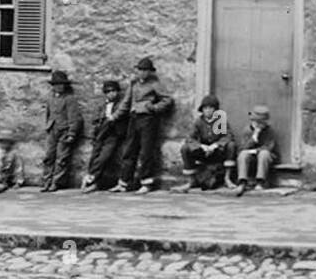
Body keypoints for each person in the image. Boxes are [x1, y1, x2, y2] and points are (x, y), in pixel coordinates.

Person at [112, 56, 173, 194]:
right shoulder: (133, 84)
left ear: (150, 72)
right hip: (133, 119)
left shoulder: (154, 84)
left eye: (146, 70)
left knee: (146, 152)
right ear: (137, 71)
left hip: (148, 120)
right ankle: (124, 183)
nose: (143, 73)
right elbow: (126, 103)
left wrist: (154, 108)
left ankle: (146, 183)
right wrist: (114, 117)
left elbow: (168, 100)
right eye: (140, 70)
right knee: (129, 151)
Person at [41, 68, 84, 192]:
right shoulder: (50, 98)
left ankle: (56, 182)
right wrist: (48, 127)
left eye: (61, 84)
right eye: (56, 85)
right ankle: (46, 181)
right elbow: (48, 115)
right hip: (52, 129)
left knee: (61, 158)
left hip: (64, 131)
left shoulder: (69, 99)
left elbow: (74, 117)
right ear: (53, 86)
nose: (59, 87)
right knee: (49, 156)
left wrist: (72, 133)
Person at [82, 78, 128, 192]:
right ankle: (93, 182)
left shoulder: (121, 105)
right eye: (108, 92)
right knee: (94, 156)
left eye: (113, 91)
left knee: (103, 157)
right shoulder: (102, 106)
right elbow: (96, 121)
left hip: (113, 134)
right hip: (101, 133)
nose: (111, 94)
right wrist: (94, 134)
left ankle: (90, 178)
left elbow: (120, 118)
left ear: (117, 92)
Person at [179, 94, 232, 191]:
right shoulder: (198, 122)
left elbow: (228, 136)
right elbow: (190, 138)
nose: (208, 110)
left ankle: (227, 178)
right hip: (203, 152)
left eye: (211, 108)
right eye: (205, 108)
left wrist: (216, 145)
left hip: (217, 152)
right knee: (185, 148)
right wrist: (201, 146)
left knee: (231, 146)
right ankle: (191, 181)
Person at [234, 105, 278, 195]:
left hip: (265, 157)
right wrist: (253, 138)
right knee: (243, 155)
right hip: (251, 157)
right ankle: (242, 182)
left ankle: (260, 182)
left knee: (264, 154)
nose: (259, 125)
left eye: (261, 122)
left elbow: (269, 147)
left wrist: (257, 151)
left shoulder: (269, 131)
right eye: (257, 122)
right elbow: (242, 147)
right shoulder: (247, 130)